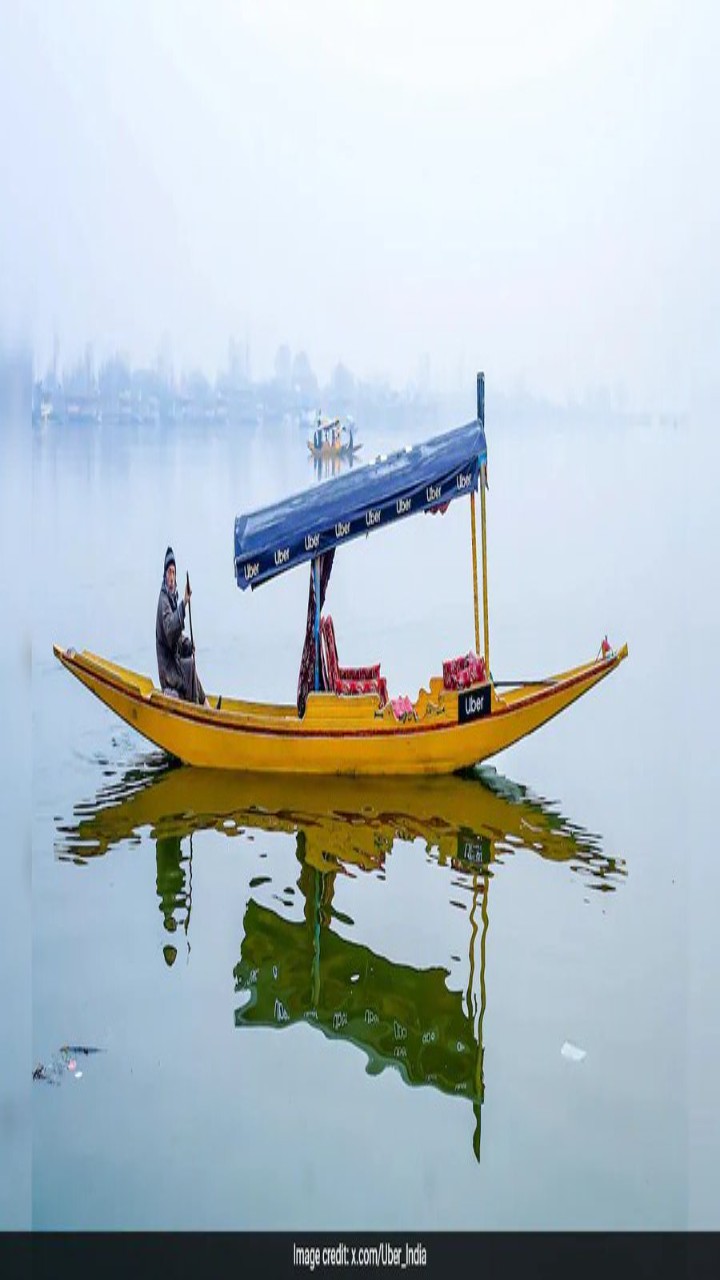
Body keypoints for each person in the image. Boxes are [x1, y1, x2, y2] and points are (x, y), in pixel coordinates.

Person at [155, 546, 210, 706]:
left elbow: (177, 638)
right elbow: (170, 629)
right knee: (190, 666)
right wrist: (184, 603)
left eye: (174, 573)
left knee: (190, 665)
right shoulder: (163, 601)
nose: (171, 577)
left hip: (175, 665)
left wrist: (187, 644)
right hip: (168, 671)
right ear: (164, 576)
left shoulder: (171, 598)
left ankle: (205, 704)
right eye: (169, 573)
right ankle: (199, 708)